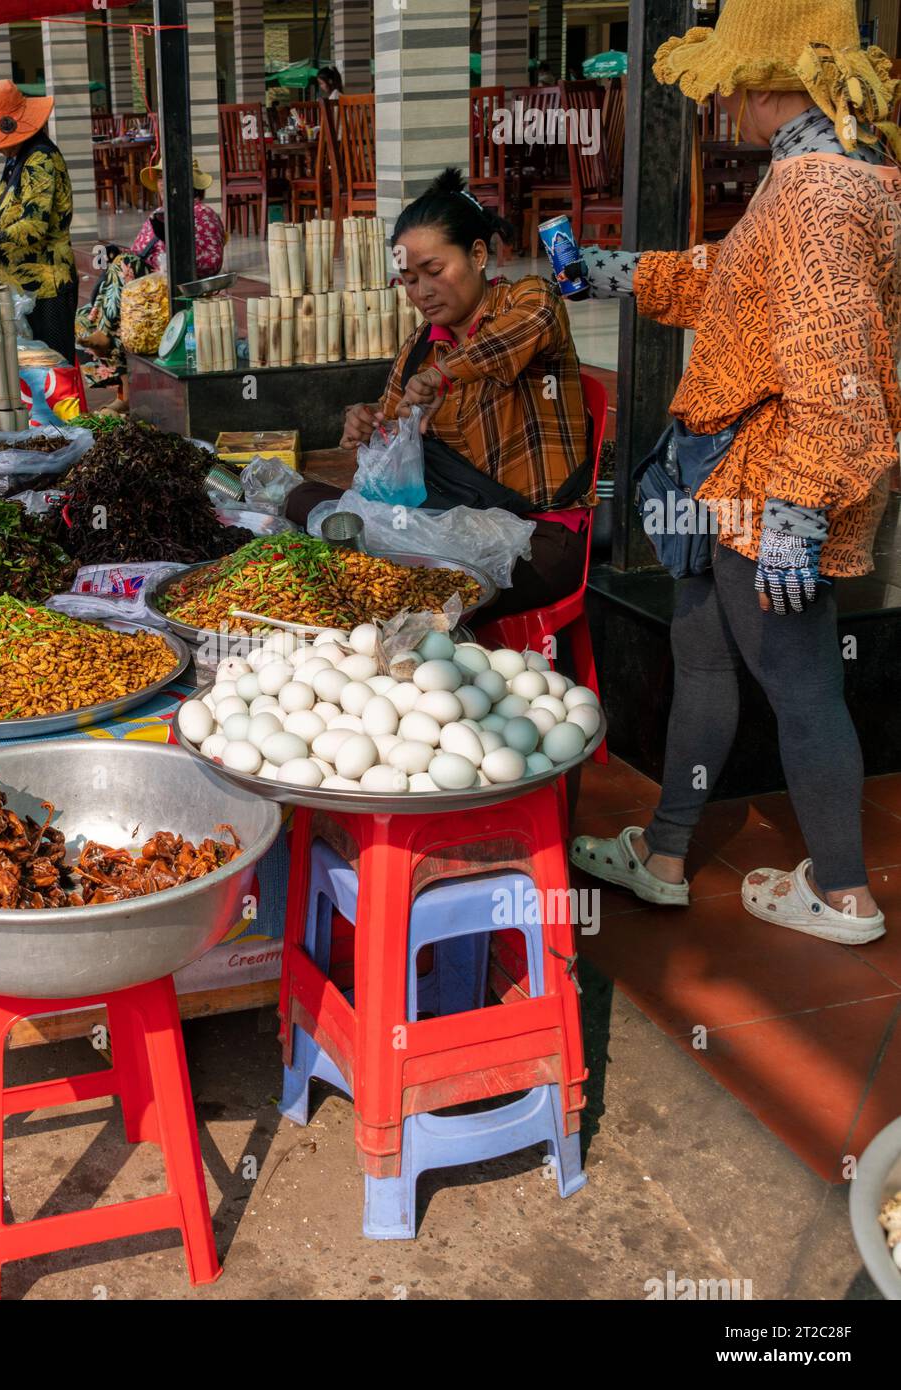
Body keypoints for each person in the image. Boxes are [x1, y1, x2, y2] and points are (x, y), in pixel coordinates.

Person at [566, 0, 901, 944]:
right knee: (704, 654)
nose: (725, 104)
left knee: (800, 679)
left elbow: (833, 367)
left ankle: (843, 895)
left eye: (734, 85)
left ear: (765, 84)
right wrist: (613, 271)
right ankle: (667, 852)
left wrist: (795, 511)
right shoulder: (832, 173)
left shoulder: (813, 192)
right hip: (733, 476)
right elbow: (731, 282)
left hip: (772, 476)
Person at [286, 167, 595, 620]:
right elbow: (385, 469)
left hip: (535, 541)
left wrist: (445, 374)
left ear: (477, 254)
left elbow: (536, 322)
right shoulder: (419, 349)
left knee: (402, 592)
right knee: (304, 502)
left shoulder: (529, 301)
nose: (422, 292)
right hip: (451, 525)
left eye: (434, 270)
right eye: (410, 279)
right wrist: (370, 428)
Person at [75, 158, 225, 394]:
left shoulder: (202, 214)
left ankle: (104, 333)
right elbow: (137, 254)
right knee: (83, 318)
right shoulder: (158, 214)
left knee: (124, 269)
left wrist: (172, 256)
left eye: (166, 177)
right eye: (160, 178)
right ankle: (122, 390)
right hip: (139, 289)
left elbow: (211, 262)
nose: (162, 183)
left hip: (168, 292)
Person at [0, 80, 77, 365]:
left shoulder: (40, 161)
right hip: (23, 289)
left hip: (47, 287)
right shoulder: (16, 160)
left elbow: (33, 226)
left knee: (54, 369)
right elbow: (6, 211)